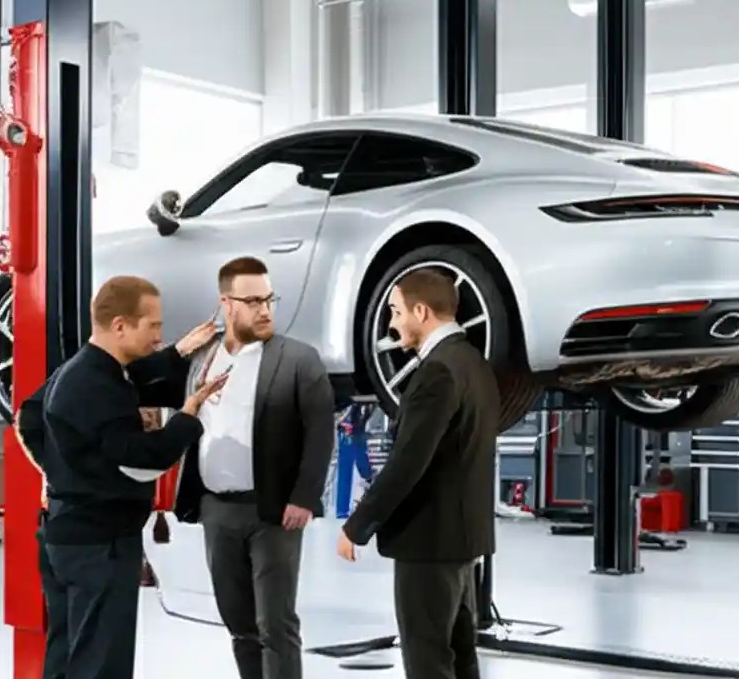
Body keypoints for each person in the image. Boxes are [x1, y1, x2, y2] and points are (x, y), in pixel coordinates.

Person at [18, 274, 225, 679]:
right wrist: (188, 417)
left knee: (68, 658)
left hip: (68, 536)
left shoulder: (79, 371)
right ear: (120, 326)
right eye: (153, 327)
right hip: (101, 547)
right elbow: (144, 459)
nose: (159, 337)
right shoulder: (97, 384)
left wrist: (67, 471)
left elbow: (29, 416)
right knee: (100, 666)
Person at [172, 256, 336, 679]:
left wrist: (304, 497)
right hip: (216, 510)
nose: (265, 310)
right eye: (253, 301)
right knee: (239, 625)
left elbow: (320, 434)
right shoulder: (201, 360)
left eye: (269, 299)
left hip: (275, 512)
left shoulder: (300, 360)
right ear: (227, 305)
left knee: (276, 625)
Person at [338, 268, 499, 679]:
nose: (392, 324)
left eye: (395, 311)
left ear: (421, 311)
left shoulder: (438, 371)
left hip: (428, 542)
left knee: (428, 660)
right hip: (462, 540)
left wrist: (358, 524)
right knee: (461, 657)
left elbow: (409, 461)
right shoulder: (475, 364)